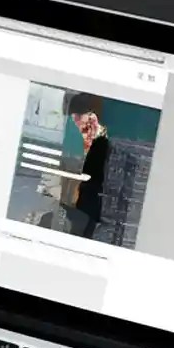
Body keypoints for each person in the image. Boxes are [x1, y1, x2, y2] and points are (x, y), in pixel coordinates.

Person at [67, 93, 110, 239]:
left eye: (78, 117)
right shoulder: (95, 134)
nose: (76, 122)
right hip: (88, 195)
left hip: (87, 195)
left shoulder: (96, 137)